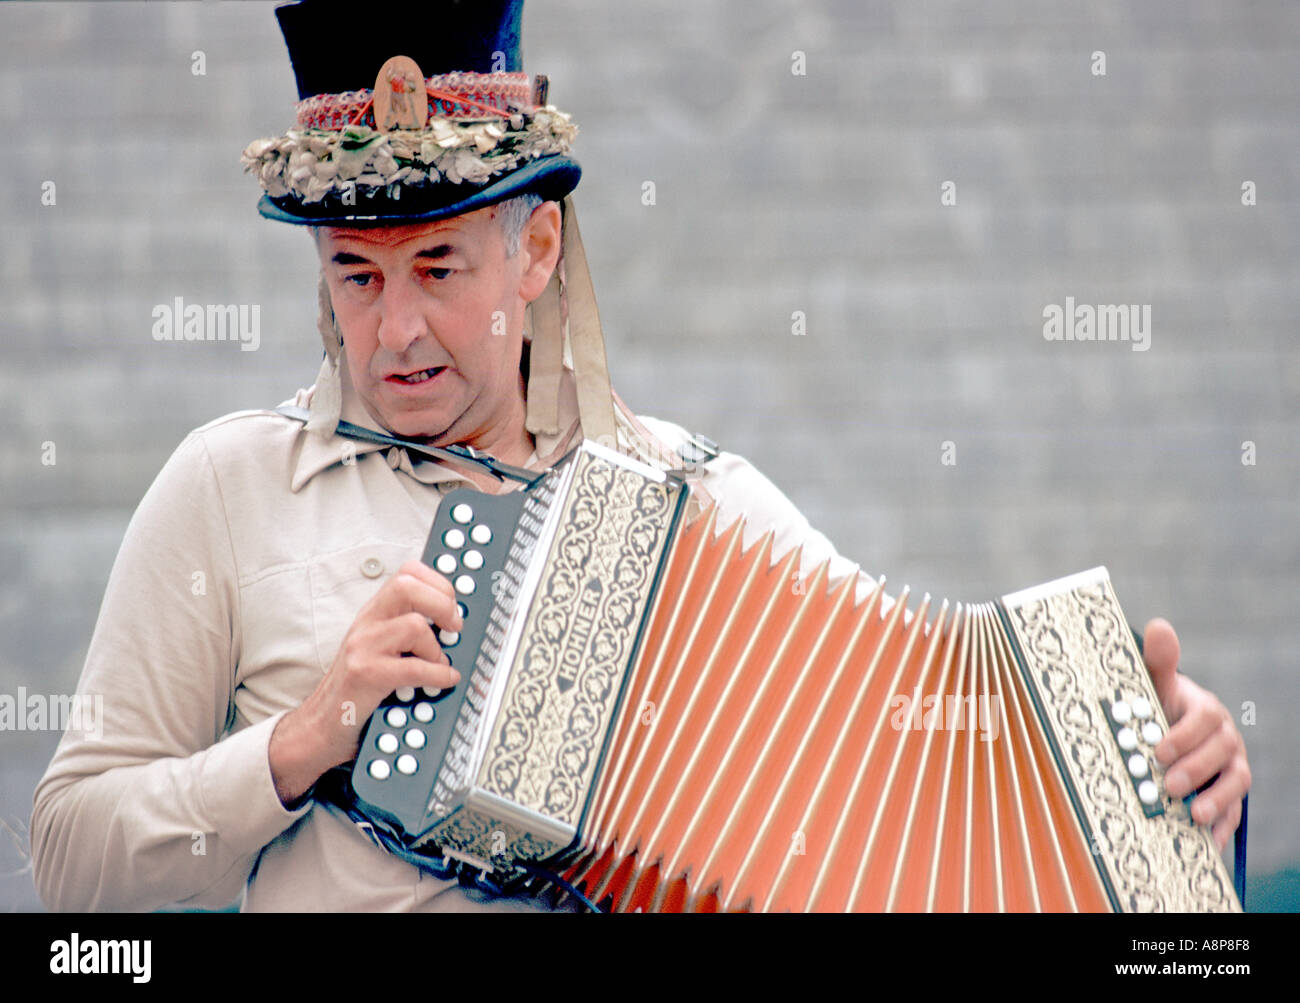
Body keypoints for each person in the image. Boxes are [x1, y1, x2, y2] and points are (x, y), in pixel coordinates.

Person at [30, 0, 1249, 913]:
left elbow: (924, 758)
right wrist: (297, 746)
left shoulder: (691, 496)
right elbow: (72, 865)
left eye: (438, 269)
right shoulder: (227, 490)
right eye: (354, 274)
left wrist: (1168, 764)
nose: (392, 328)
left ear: (538, 250)